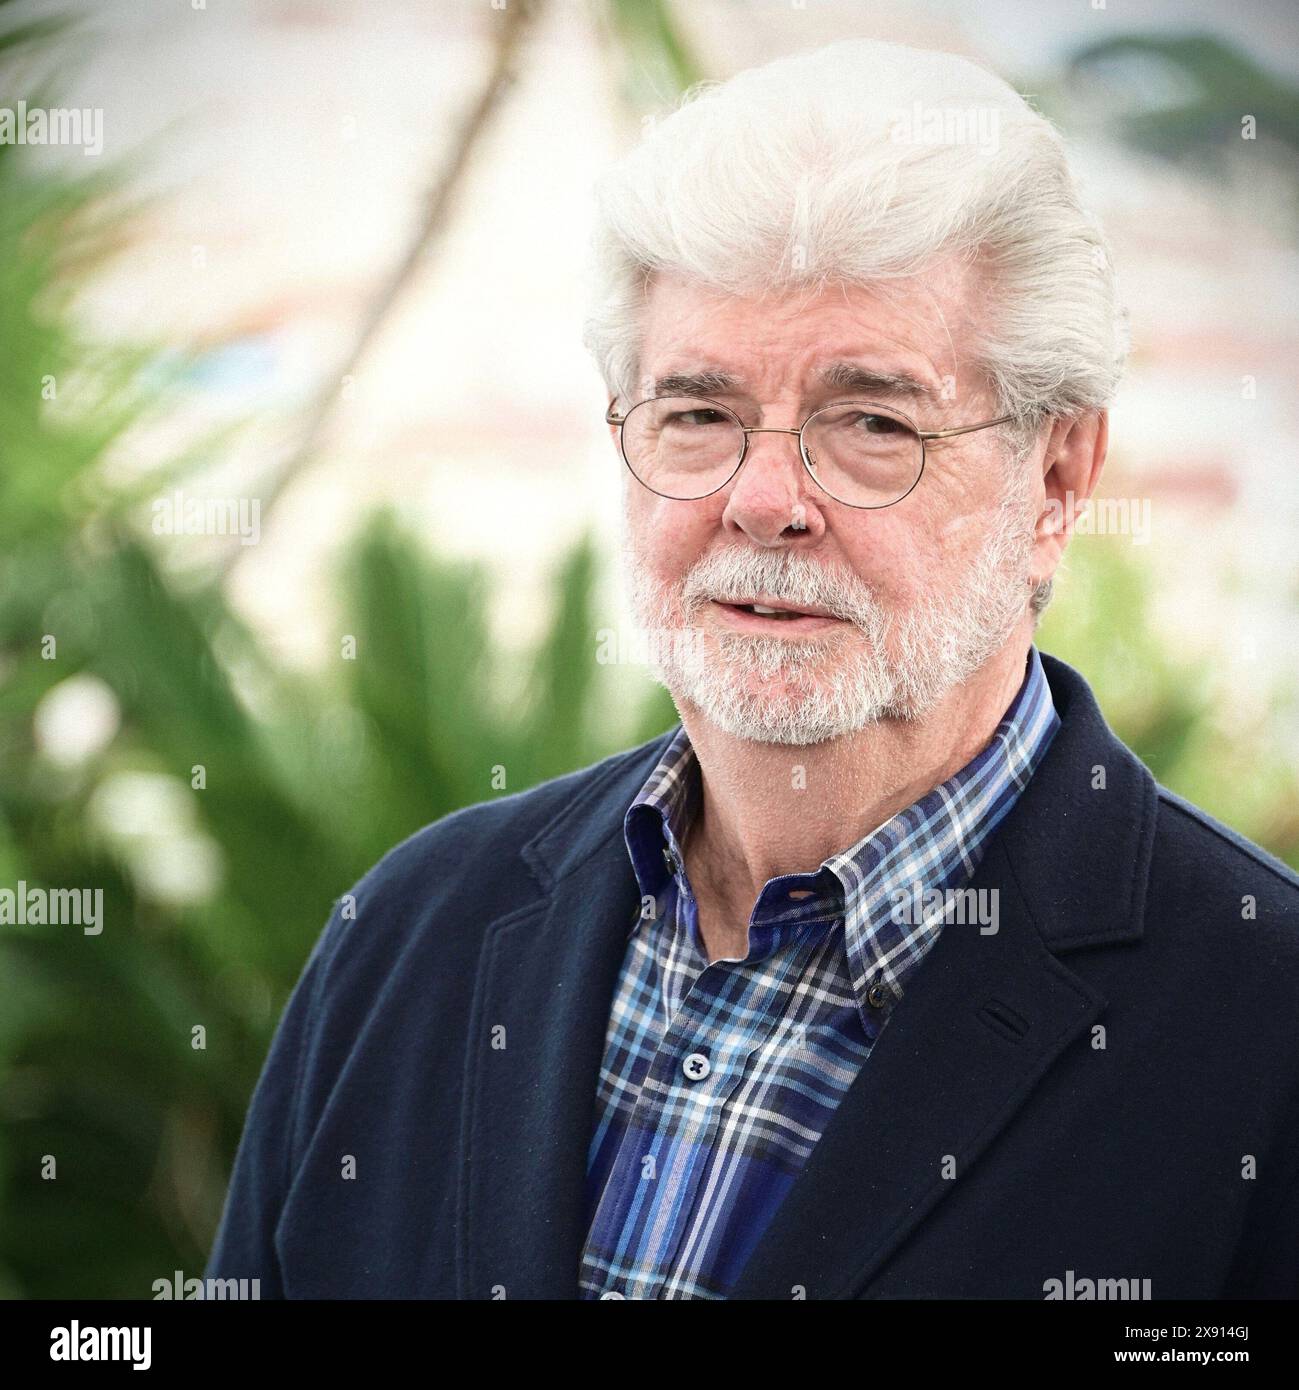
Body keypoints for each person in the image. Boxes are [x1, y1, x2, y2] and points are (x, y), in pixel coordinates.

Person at [206, 38, 1299, 1300]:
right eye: (699, 414)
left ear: (1056, 478)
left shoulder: (1262, 1027)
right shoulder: (411, 930)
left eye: (873, 421)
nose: (763, 498)